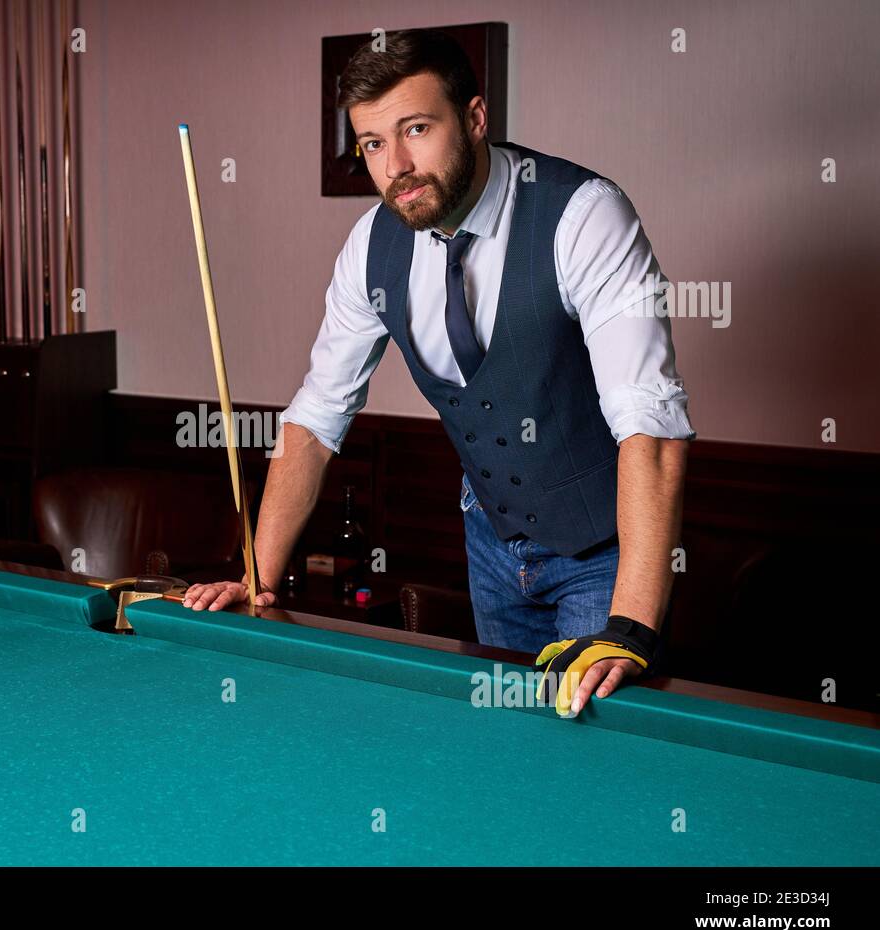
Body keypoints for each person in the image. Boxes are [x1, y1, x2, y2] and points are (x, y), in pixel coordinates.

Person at [183, 29, 694, 716]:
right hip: (490, 545)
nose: (396, 164)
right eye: (371, 143)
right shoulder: (371, 246)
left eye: (416, 128)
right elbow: (313, 420)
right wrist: (257, 577)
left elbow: (651, 424)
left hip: (606, 552)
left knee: (593, 751)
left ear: (476, 118)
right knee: (514, 744)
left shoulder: (583, 215)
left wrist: (629, 626)